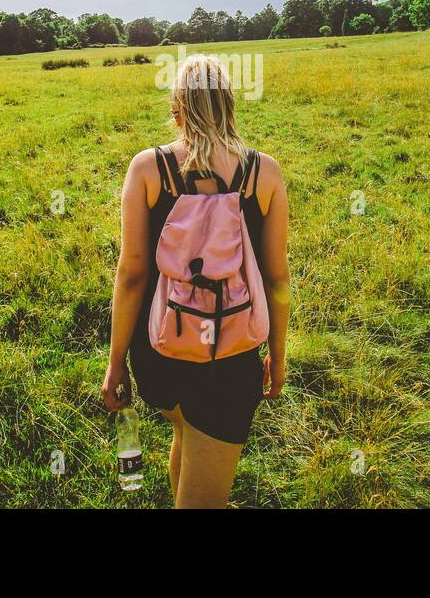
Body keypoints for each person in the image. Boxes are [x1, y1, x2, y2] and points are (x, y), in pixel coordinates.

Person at [102, 53, 290, 508]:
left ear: (177, 109)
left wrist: (116, 361)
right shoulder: (263, 173)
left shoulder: (148, 169)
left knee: (186, 433)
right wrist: (278, 356)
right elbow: (277, 279)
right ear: (229, 105)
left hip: (161, 347)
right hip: (230, 355)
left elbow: (131, 276)